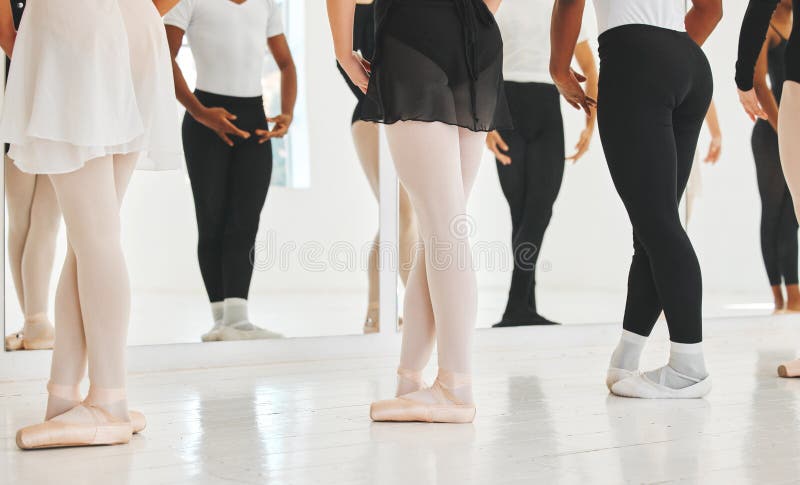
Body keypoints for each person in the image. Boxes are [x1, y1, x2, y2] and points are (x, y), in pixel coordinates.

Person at [1, 0, 182, 449]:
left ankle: (108, 401)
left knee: (94, 237)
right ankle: (64, 396)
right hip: (136, 27)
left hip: (74, 24)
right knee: (90, 238)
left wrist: (12, 30)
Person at [328, 0, 512, 422]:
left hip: (414, 33)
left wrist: (343, 51)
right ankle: (410, 381)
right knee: (439, 230)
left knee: (444, 229)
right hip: (475, 40)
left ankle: (455, 386)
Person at [551, 0, 722, 398]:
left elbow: (569, 2)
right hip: (689, 63)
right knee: (653, 226)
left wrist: (560, 69)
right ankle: (625, 360)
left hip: (633, 59)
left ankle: (689, 368)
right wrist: (667, 54)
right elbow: (712, 10)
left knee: (658, 226)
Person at [165, 0, 297, 342]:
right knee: (211, 221)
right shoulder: (189, 1)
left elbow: (286, 63)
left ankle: (238, 321)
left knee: (245, 221)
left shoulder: (266, 3)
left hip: (254, 122)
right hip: (204, 120)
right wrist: (199, 113)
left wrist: (288, 112)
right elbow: (163, 57)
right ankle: (221, 321)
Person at [485, 0, 598, 327]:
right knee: (520, 212)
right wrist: (487, 123)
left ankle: (517, 307)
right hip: (507, 110)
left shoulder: (563, 3)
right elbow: (480, 61)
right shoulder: (498, 3)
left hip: (547, 110)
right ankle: (521, 308)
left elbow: (590, 67)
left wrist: (591, 124)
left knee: (538, 211)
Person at [335, 0, 418, 334]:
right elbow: (345, 61)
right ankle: (385, 311)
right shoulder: (356, 7)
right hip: (371, 117)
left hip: (409, 119)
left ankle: (394, 308)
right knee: (399, 214)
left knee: (404, 218)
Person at [737, 0, 800, 377]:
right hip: (774, 124)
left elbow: (757, 7)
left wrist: (741, 77)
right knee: (778, 215)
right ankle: (781, 295)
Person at [3, 0, 61, 352]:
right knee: (25, 219)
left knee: (41, 220)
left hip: (47, 108)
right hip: (24, 108)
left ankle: (35, 322)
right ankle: (34, 322)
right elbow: (9, 40)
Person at [748, 1, 799, 313]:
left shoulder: (795, 19)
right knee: (773, 210)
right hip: (771, 130)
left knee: (792, 213)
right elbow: (758, 81)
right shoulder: (765, 24)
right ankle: (780, 295)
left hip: (792, 127)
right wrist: (784, 130)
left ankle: (793, 293)